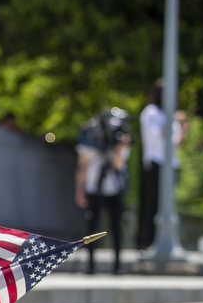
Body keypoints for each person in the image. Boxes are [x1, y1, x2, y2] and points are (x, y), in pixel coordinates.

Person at [76, 108, 132, 274]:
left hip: (114, 188)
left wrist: (117, 147)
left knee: (116, 227)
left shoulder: (121, 140)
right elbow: (82, 167)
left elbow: (117, 164)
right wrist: (79, 191)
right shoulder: (89, 139)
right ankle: (90, 265)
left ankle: (117, 265)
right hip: (94, 188)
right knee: (92, 227)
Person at [139, 79, 188, 249]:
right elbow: (156, 136)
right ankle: (148, 242)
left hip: (170, 164)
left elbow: (175, 143)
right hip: (156, 163)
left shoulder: (169, 114)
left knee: (168, 204)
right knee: (154, 203)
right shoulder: (151, 112)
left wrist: (183, 126)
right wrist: (172, 120)